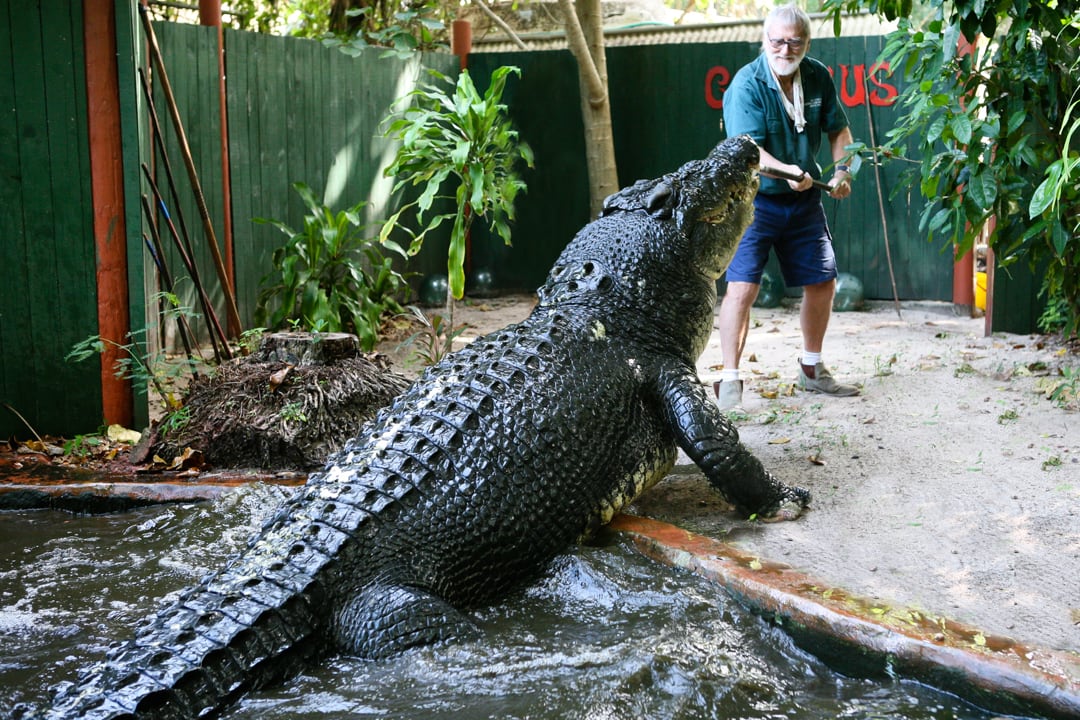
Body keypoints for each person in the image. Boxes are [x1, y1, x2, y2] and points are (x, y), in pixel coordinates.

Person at [715, 4, 859, 412]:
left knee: (822, 282)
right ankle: (729, 381)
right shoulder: (747, 85)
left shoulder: (817, 75)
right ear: (765, 40)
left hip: (805, 198)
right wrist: (788, 171)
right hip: (752, 201)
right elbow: (748, 152)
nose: (785, 48)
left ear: (806, 43)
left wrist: (843, 169)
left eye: (794, 41)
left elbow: (840, 130)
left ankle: (811, 369)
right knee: (742, 288)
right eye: (777, 40)